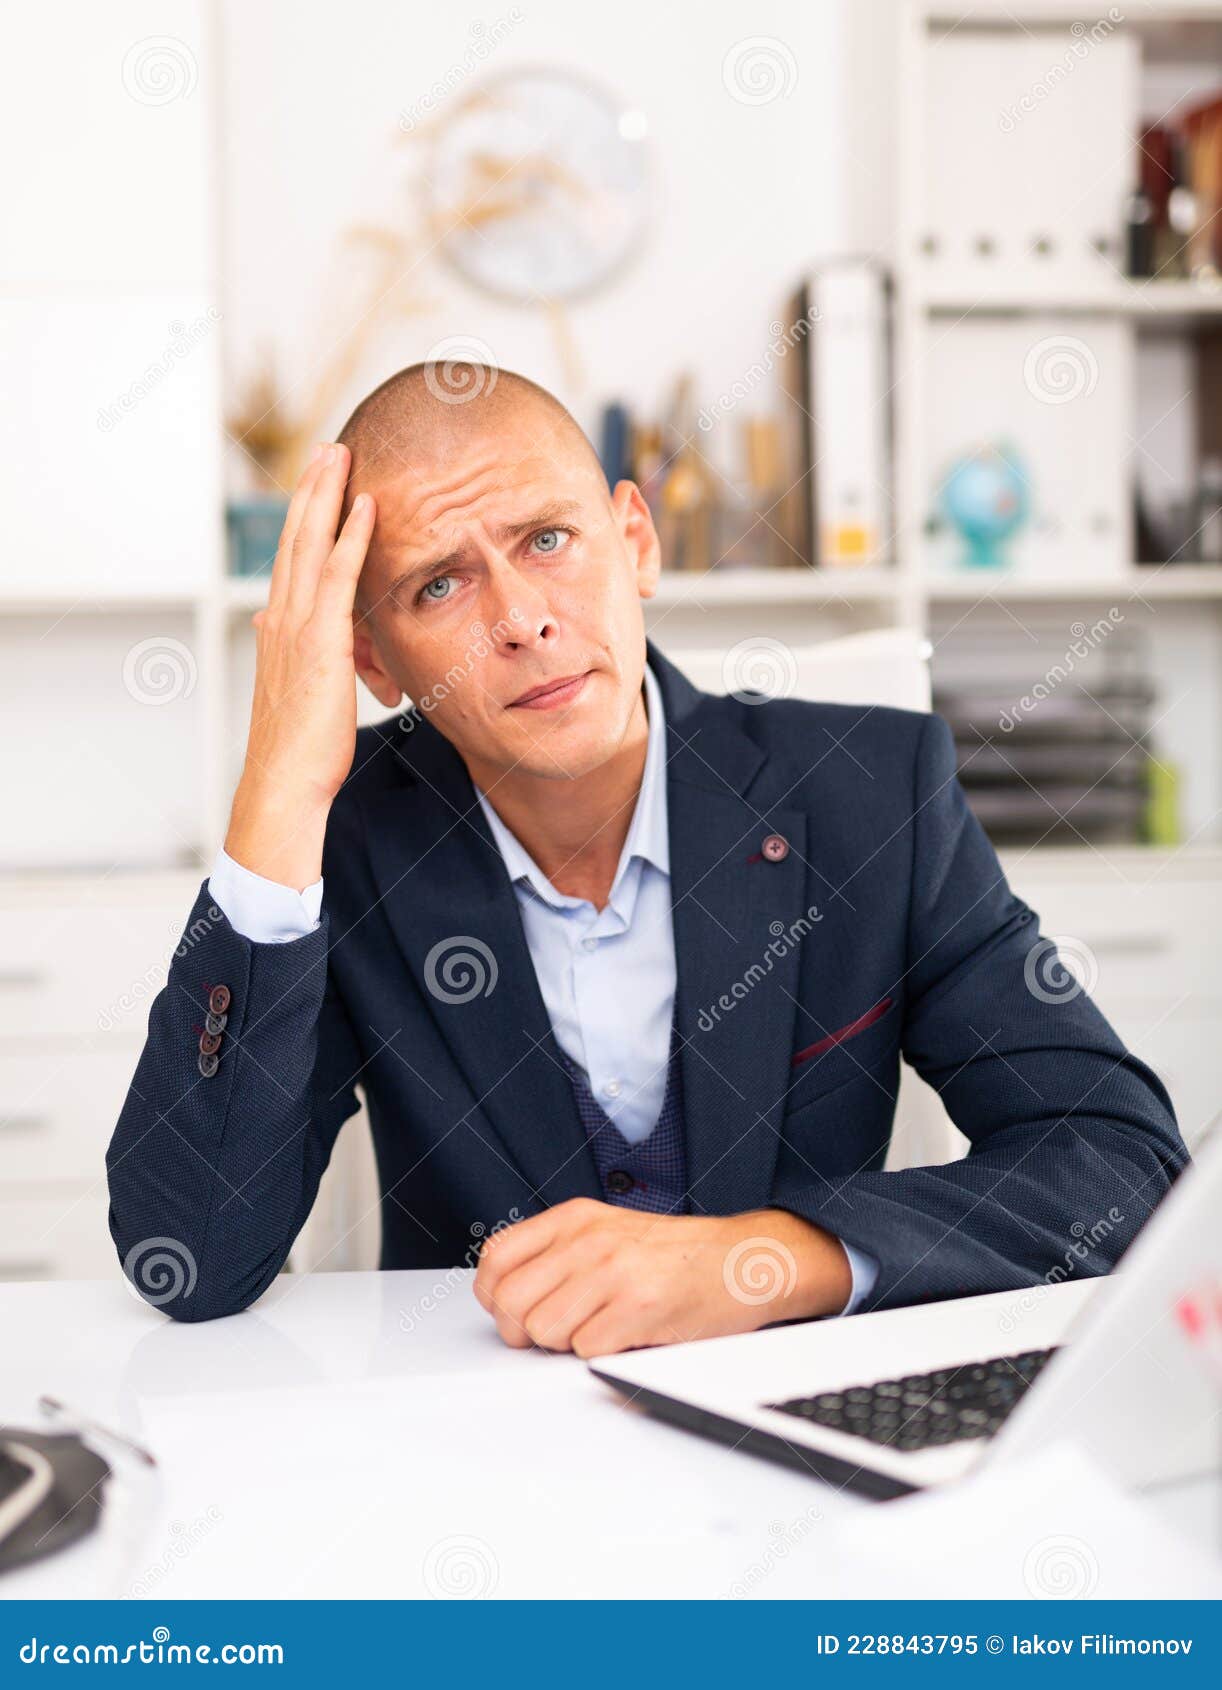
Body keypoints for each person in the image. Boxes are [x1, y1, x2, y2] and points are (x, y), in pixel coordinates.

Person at [105, 362, 1187, 1355]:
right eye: (439, 585)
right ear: (371, 659)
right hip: (474, 1469)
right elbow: (189, 1261)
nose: (521, 619)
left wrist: (763, 1261)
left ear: (637, 543)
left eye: (546, 540)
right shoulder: (343, 840)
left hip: (800, 1445)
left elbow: (1118, 1163)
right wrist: (276, 798)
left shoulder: (871, 791)